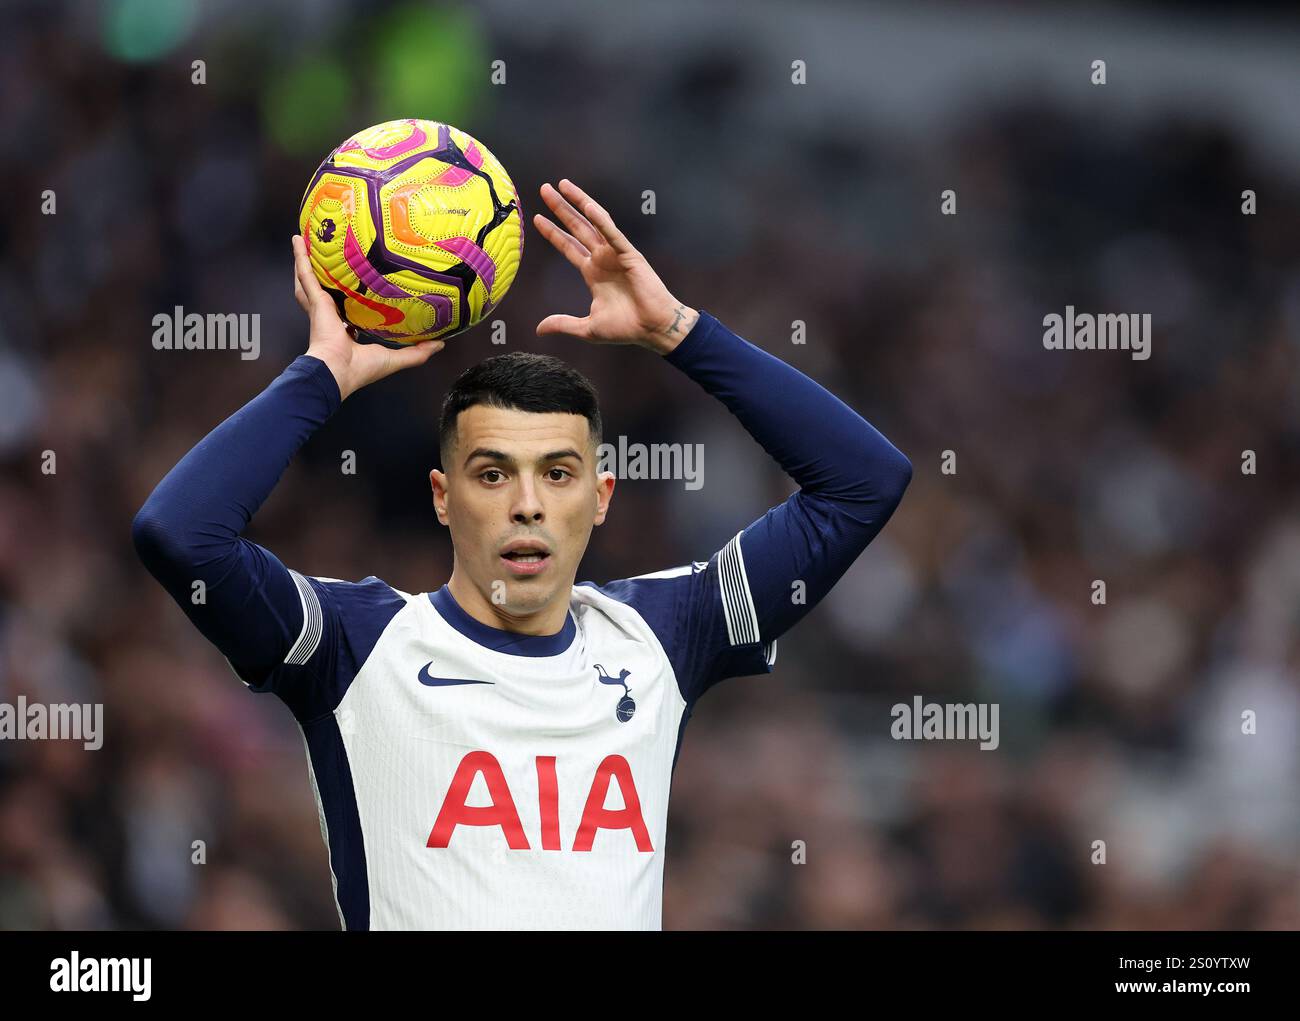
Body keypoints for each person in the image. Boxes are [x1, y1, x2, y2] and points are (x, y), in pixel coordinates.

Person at [132, 179, 912, 930]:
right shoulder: (355, 644)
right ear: (443, 496)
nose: (528, 503)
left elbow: (863, 482)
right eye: (493, 472)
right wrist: (323, 375)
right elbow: (179, 532)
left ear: (601, 497)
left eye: (559, 473)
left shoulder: (664, 635)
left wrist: (679, 330)